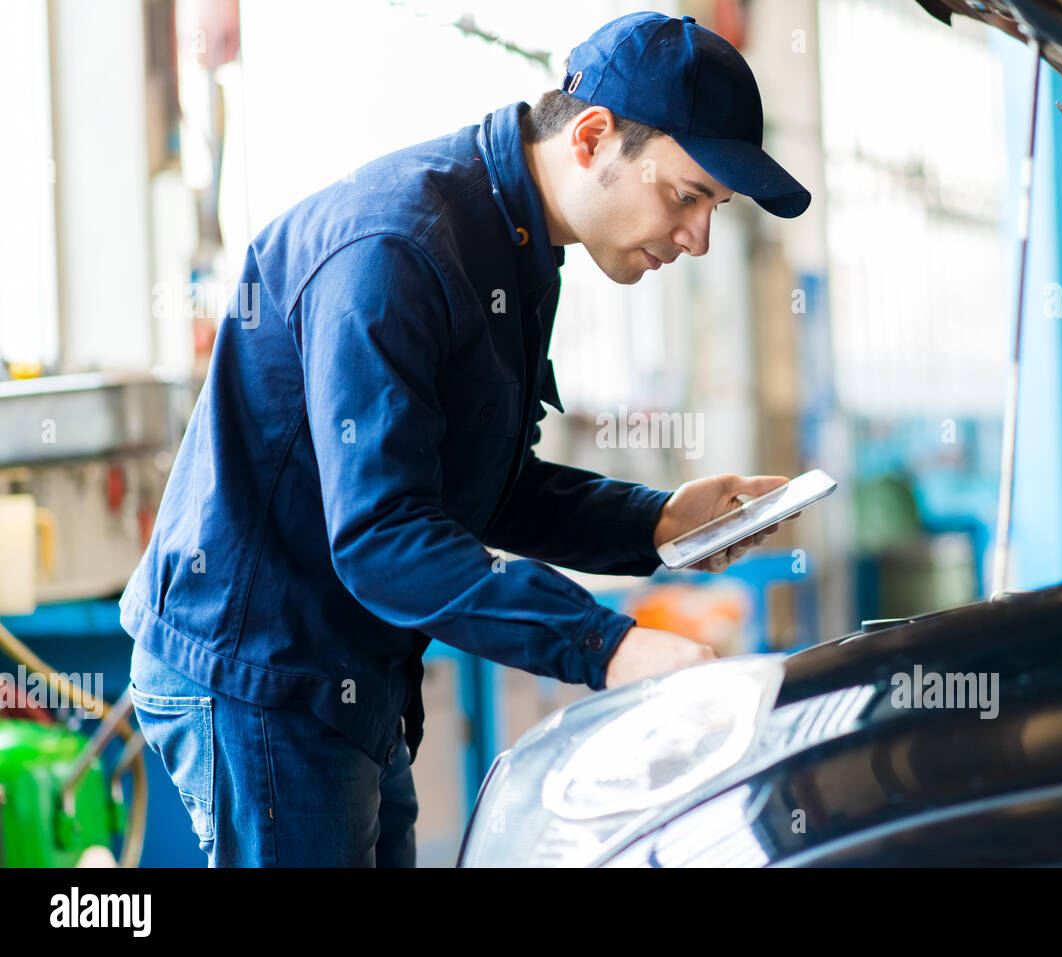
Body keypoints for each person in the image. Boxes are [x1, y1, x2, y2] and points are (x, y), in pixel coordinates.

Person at [122, 10, 811, 867]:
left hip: (353, 670)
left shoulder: (516, 248)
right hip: (267, 671)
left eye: (717, 205)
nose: (699, 237)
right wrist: (607, 645)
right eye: (685, 194)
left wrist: (656, 522)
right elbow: (381, 537)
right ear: (593, 137)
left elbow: (481, 488)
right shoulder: (399, 248)